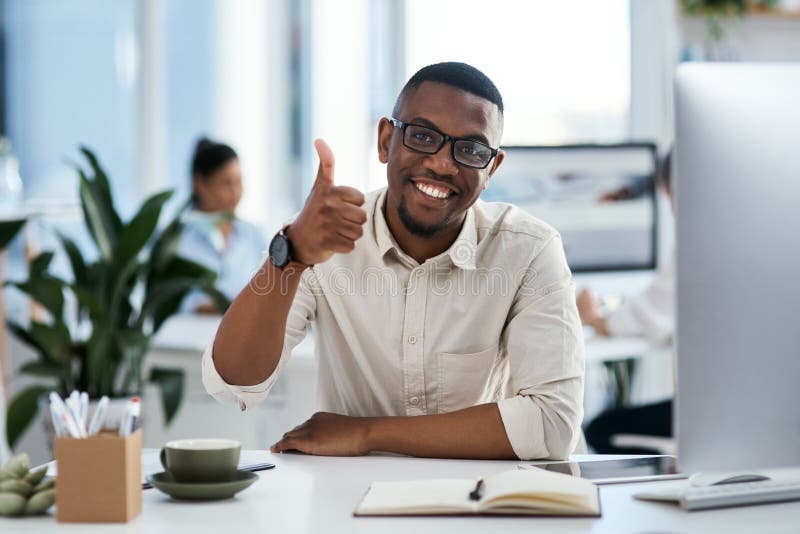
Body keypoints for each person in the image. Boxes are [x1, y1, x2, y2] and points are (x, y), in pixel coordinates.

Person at [202, 62, 585, 460]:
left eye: (470, 150)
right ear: (386, 140)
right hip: (351, 504)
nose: (441, 163)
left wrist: (367, 433)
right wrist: (292, 257)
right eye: (422, 136)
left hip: (479, 504)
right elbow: (233, 384)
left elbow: (552, 425)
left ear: (491, 168)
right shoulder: (319, 238)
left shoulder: (528, 250)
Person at [578, 151, 675, 454]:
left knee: (598, 429)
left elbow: (642, 316)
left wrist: (593, 318)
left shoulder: (700, 243)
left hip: (708, 412)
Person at [178, 138, 267, 314]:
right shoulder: (178, 241)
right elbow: (173, 305)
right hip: (188, 339)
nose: (236, 193)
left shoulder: (253, 236)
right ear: (200, 184)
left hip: (248, 338)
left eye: (239, 182)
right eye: (226, 183)